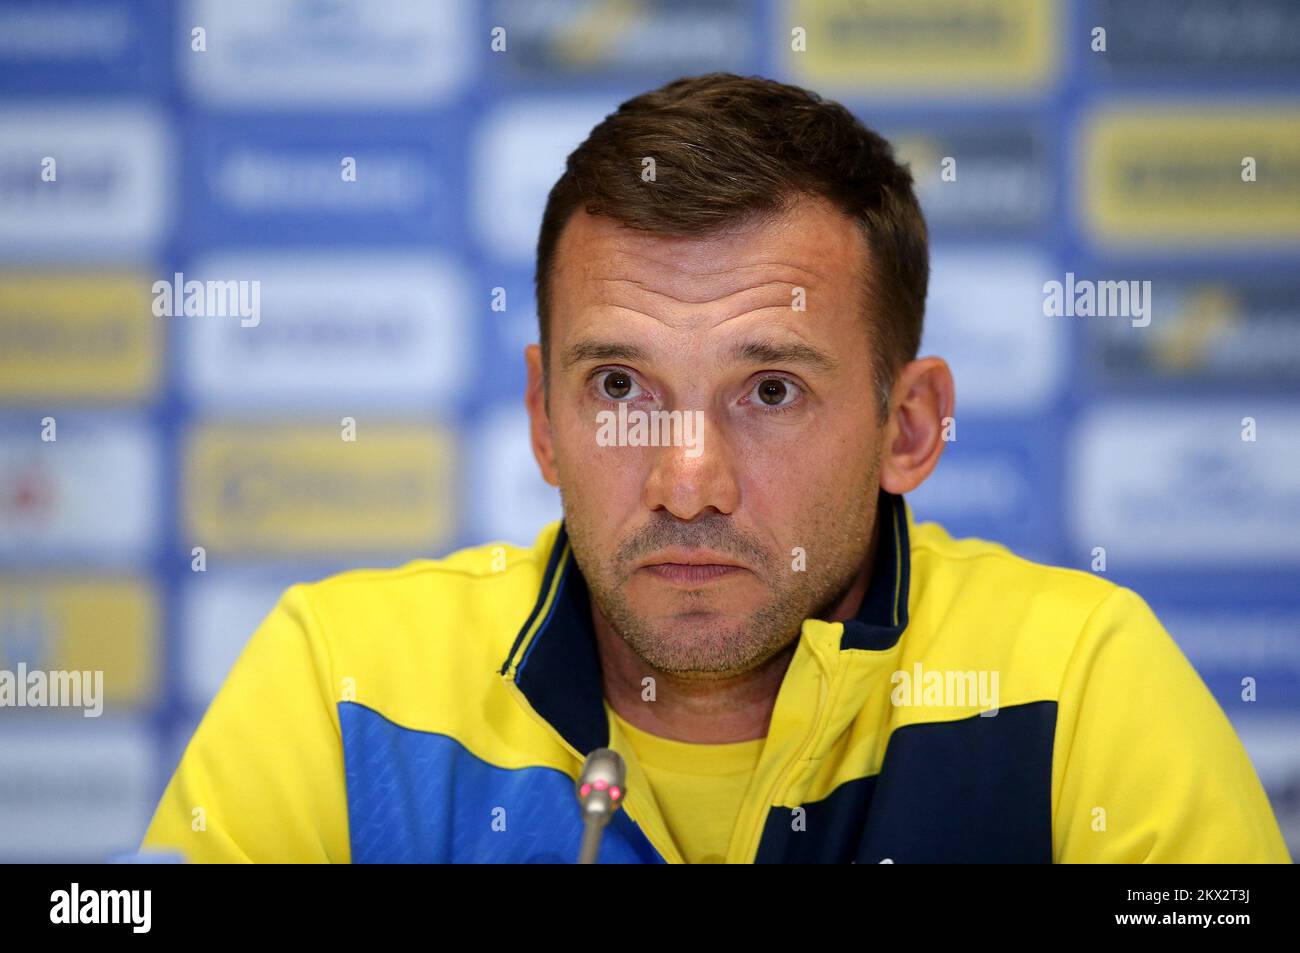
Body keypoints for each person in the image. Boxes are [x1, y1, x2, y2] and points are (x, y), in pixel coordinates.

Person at [141, 73, 1289, 863]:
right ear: (544, 417)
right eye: (620, 387)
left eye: (770, 391)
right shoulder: (343, 682)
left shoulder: (1076, 682)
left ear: (908, 426)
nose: (686, 482)